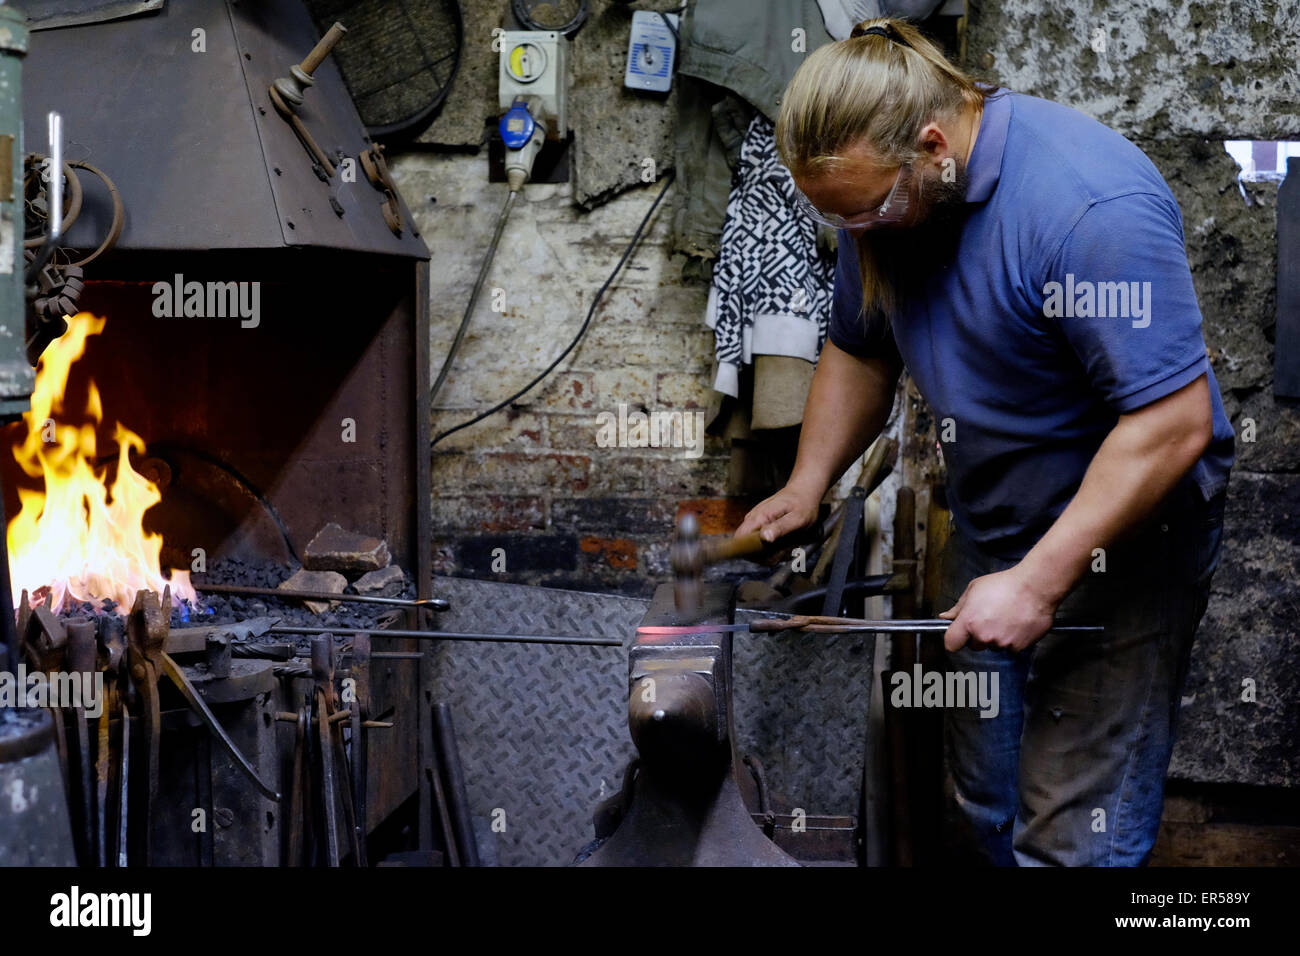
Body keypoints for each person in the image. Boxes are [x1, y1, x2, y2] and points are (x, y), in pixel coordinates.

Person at [734, 18, 1234, 866]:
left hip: (1123, 543)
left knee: (1069, 838)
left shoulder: (1087, 207)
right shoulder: (880, 201)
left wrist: (1039, 585)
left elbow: (1171, 423)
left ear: (934, 145)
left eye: (867, 214)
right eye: (839, 220)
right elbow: (861, 345)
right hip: (995, 526)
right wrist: (810, 481)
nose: (857, 235)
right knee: (983, 806)